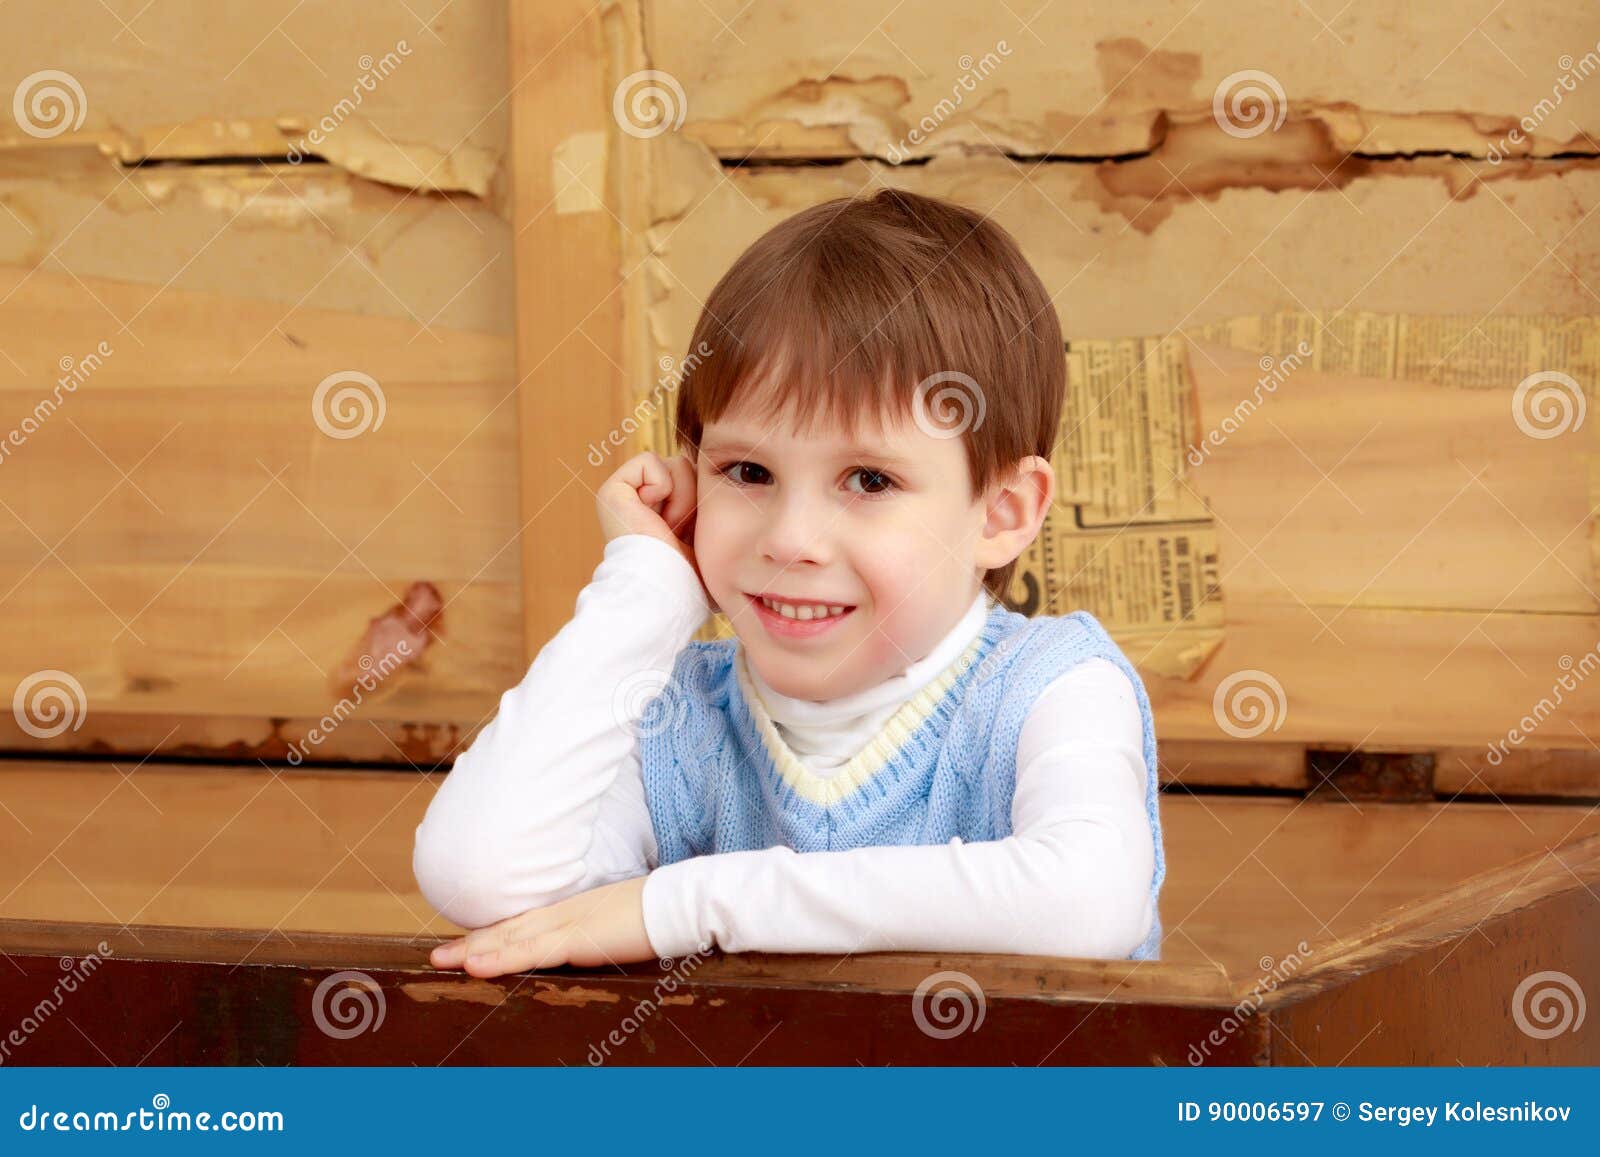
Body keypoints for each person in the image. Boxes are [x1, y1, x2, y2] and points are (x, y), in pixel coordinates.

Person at [417, 188, 1165, 977]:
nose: (790, 539)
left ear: (1001, 512)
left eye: (869, 480)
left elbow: (1089, 901)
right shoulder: (679, 718)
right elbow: (478, 873)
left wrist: (687, 903)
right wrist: (646, 591)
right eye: (748, 471)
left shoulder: (1052, 685)